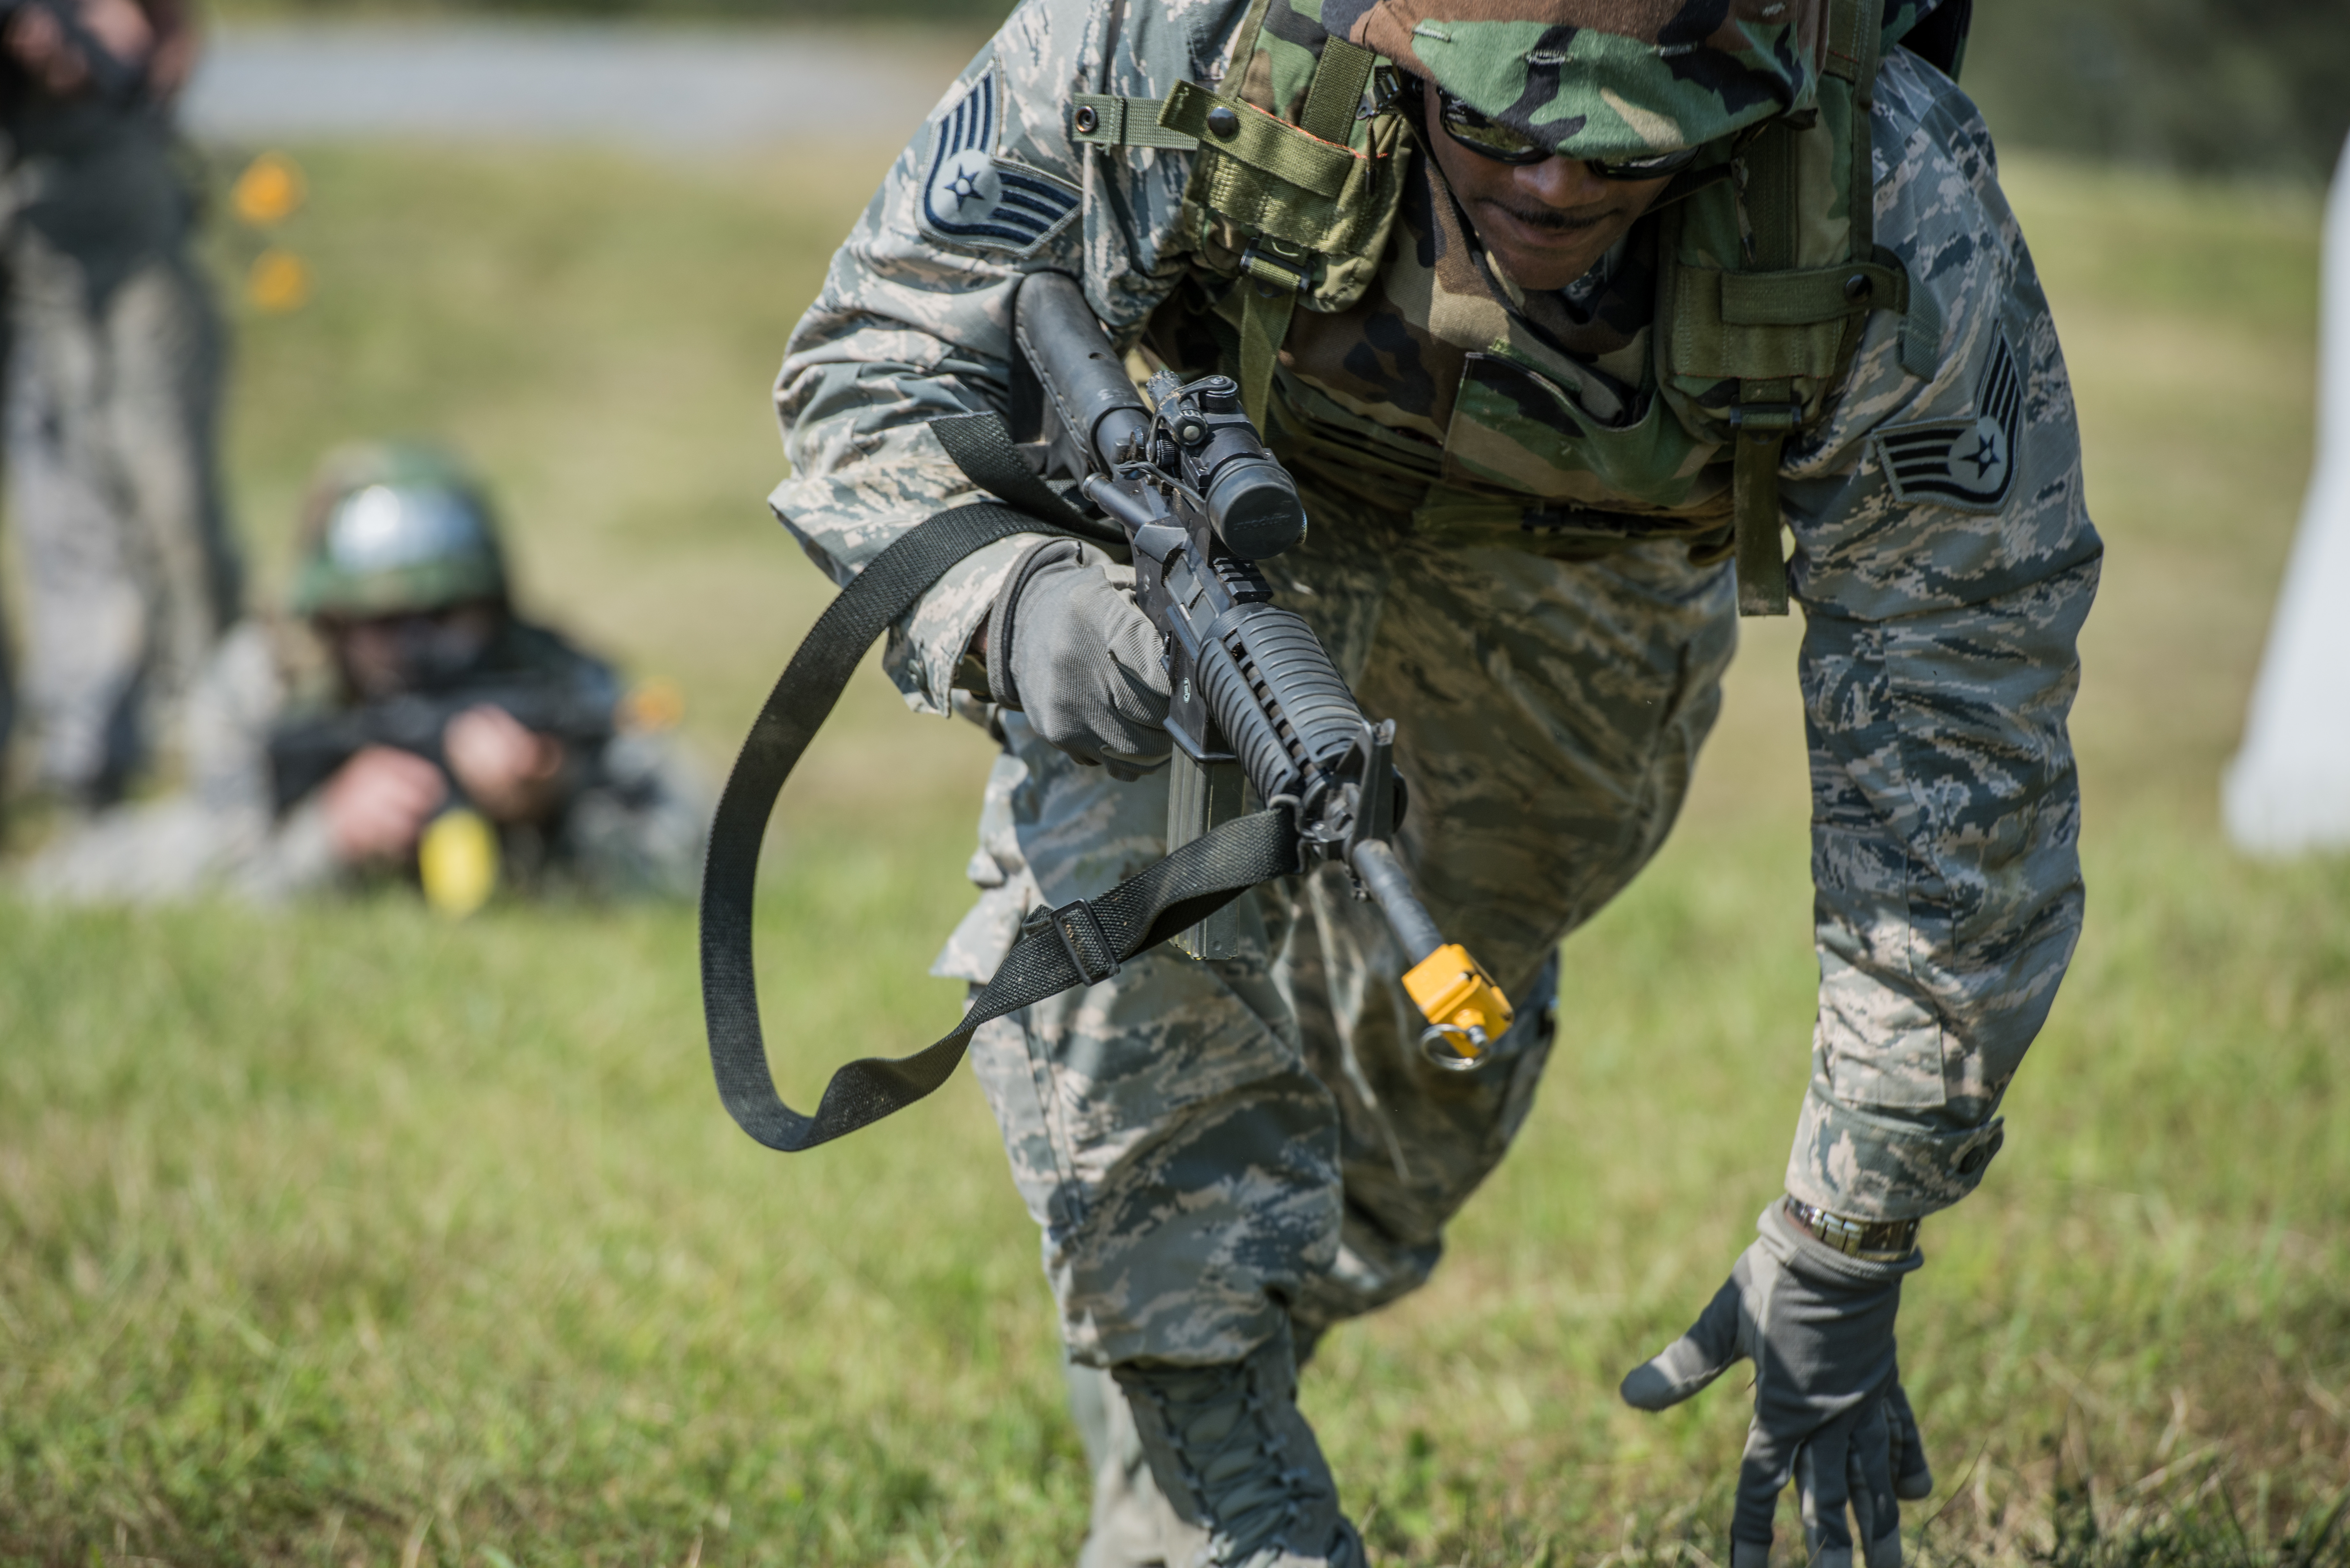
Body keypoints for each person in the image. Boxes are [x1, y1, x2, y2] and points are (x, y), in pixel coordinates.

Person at [770, 0, 2100, 1562]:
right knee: (1138, 931)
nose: (1548, 186)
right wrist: (1018, 608)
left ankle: (1218, 1366)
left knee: (1415, 1073)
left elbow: (1960, 742)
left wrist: (1847, 1224)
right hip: (1202, 524)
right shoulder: (1172, 36)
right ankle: (1220, 1474)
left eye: (1624, 144)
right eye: (1496, 125)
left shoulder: (1886, 192)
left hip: (1586, 609)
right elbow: (874, 361)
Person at [21, 442, 708, 905]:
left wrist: (552, 809)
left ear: (493, 604)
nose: (417, 643)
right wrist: (328, 835)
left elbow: (702, 858)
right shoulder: (268, 683)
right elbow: (215, 863)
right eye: (384, 620)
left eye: (445, 612)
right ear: (332, 619)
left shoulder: (556, 683)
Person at [0, 0, 239, 812]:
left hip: (97, 177)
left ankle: (153, 749)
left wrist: (109, 38)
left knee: (147, 484)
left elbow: (163, 35)